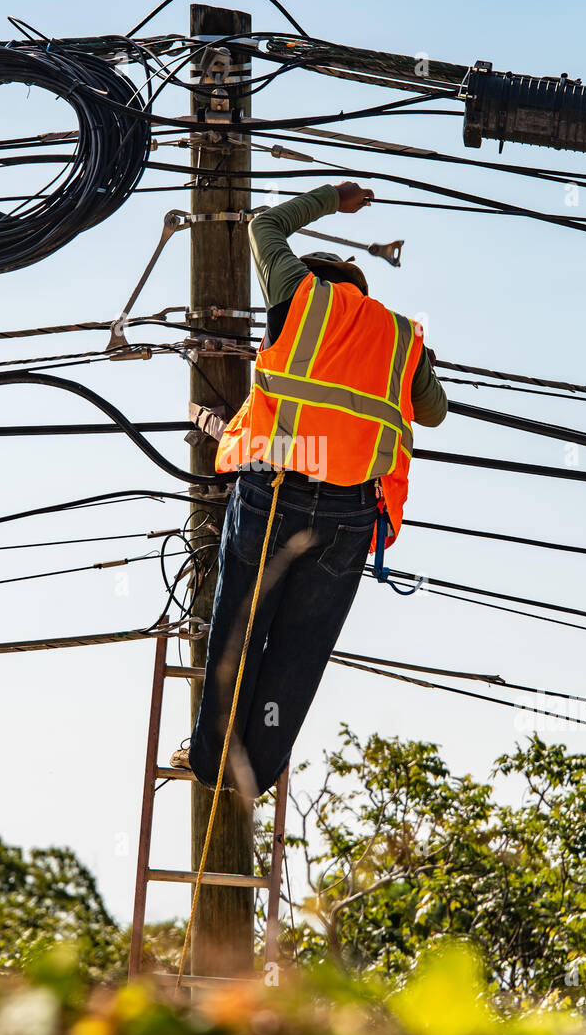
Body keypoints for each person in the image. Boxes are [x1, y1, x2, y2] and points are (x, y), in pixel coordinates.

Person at [172, 181, 447, 796]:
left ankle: (212, 759)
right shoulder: (402, 336)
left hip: (274, 493)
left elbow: (264, 226)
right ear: (361, 291)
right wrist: (417, 366)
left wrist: (332, 198)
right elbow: (434, 412)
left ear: (311, 277)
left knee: (240, 628)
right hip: (350, 514)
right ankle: (261, 767)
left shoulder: (299, 294)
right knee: (300, 650)